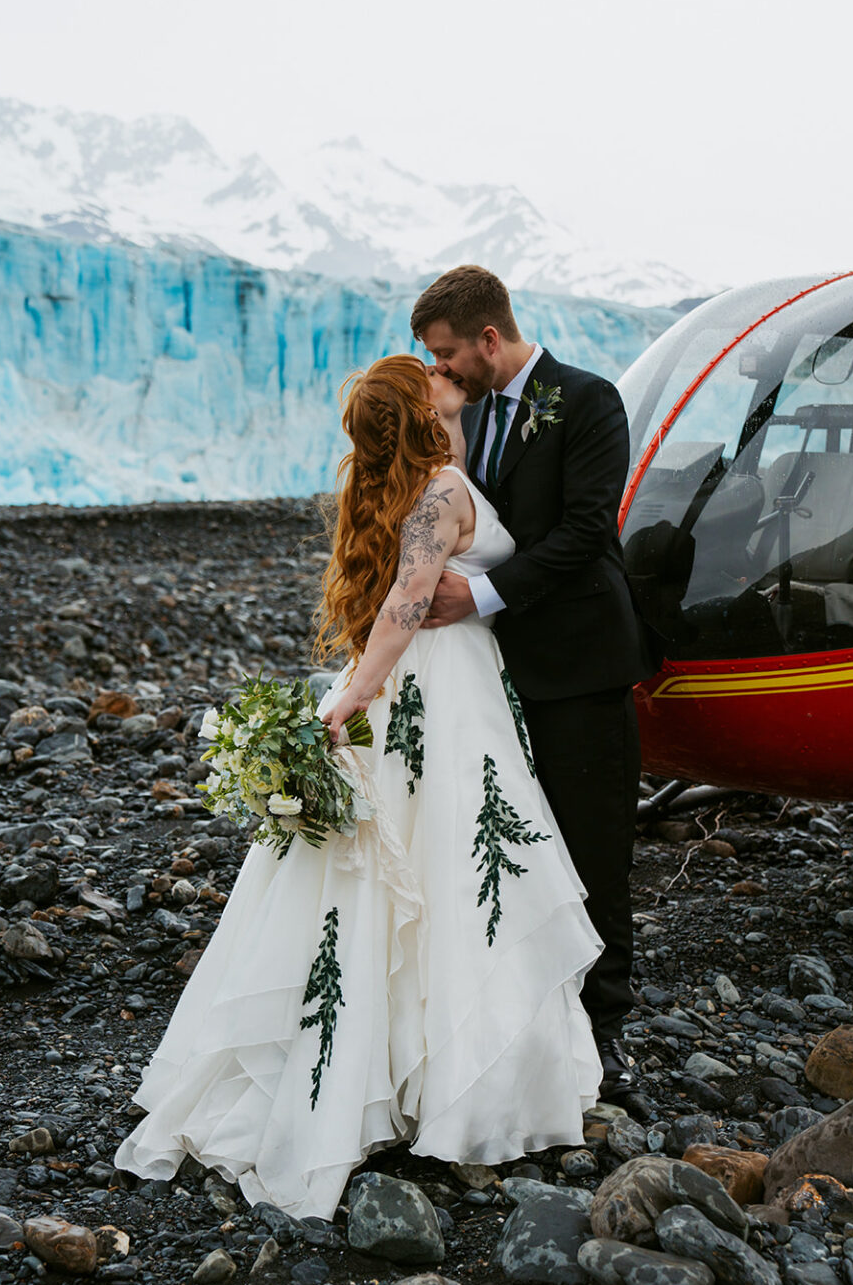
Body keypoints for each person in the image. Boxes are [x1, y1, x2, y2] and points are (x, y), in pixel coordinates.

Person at [114, 354, 602, 1220]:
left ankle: (400, 1064)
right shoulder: (444, 488)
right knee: (448, 858)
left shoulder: (415, 480)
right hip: (438, 694)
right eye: (431, 373)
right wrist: (358, 694)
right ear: (422, 411)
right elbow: (408, 602)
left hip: (448, 687)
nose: (446, 371)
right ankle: (453, 1082)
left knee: (419, 862)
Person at [411, 265, 652, 1101]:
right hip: (489, 676)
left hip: (580, 662)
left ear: (489, 337)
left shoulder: (587, 401)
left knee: (593, 844)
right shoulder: (461, 414)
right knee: (512, 845)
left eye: (447, 353)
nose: (442, 370)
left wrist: (474, 595)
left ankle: (604, 1027)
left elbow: (587, 530)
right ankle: (527, 1014)